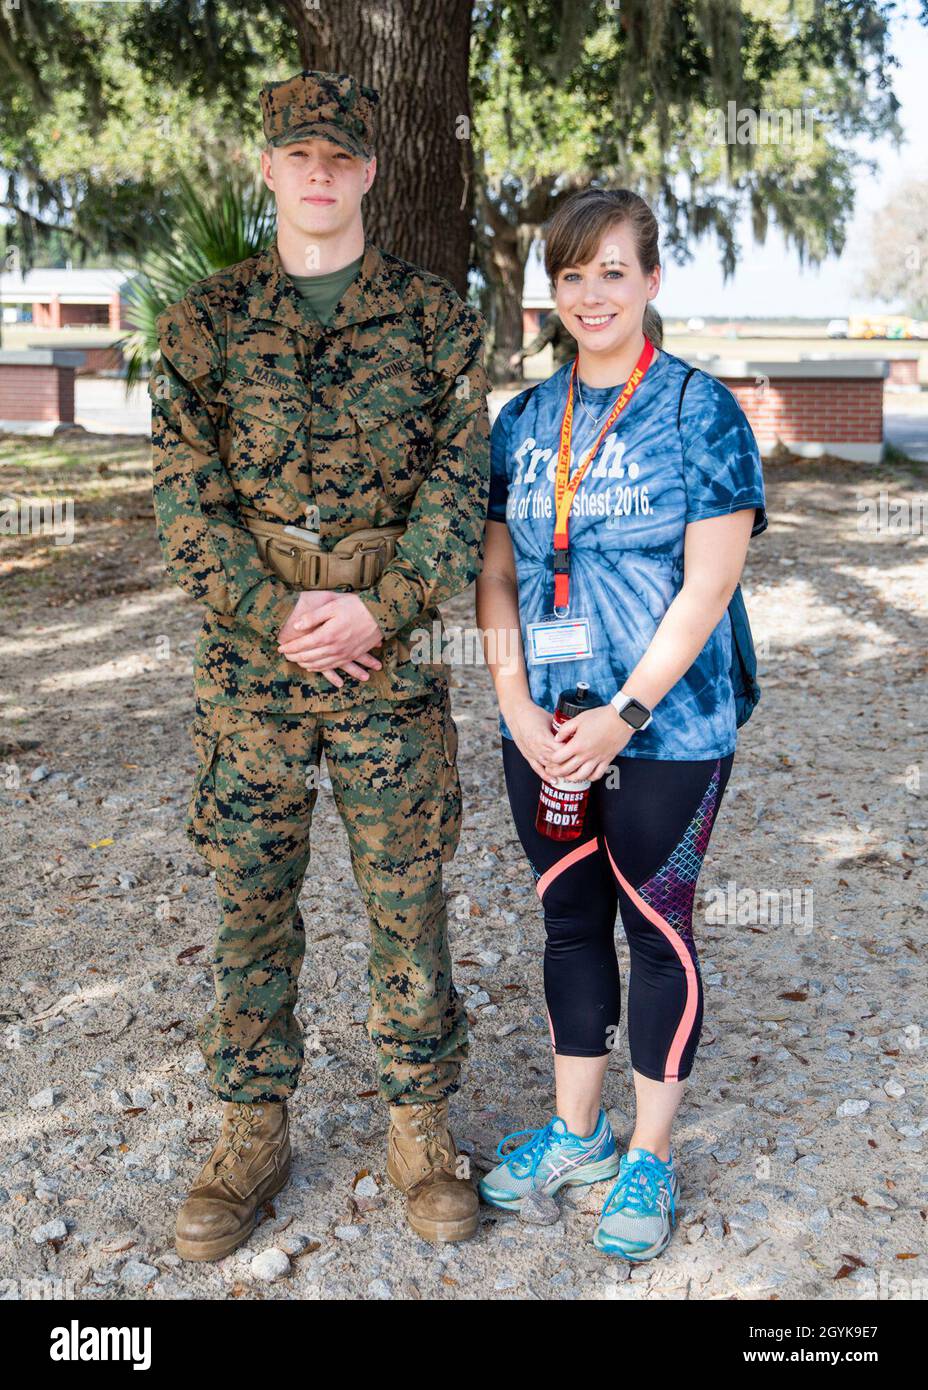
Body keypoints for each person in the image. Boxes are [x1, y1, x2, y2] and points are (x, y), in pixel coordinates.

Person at [149, 69, 490, 1258]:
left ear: (369, 171)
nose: (319, 173)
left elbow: (459, 490)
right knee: (252, 900)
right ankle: (251, 1128)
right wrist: (267, 610)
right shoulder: (204, 321)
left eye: (339, 157)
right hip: (254, 666)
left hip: (384, 663)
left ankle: (419, 1126)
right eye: (298, 155)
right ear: (268, 169)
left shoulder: (436, 317)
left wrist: (380, 608)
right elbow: (184, 491)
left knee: (407, 897)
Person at [475, 187, 766, 1262]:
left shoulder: (700, 410)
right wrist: (514, 705)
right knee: (566, 923)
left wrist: (624, 712)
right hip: (544, 722)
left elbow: (709, 580)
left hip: (668, 725)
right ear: (550, 291)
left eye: (611, 270)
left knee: (655, 928)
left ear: (651, 280)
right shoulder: (520, 419)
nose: (590, 293)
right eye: (570, 273)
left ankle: (647, 1150)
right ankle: (576, 1132)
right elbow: (497, 571)